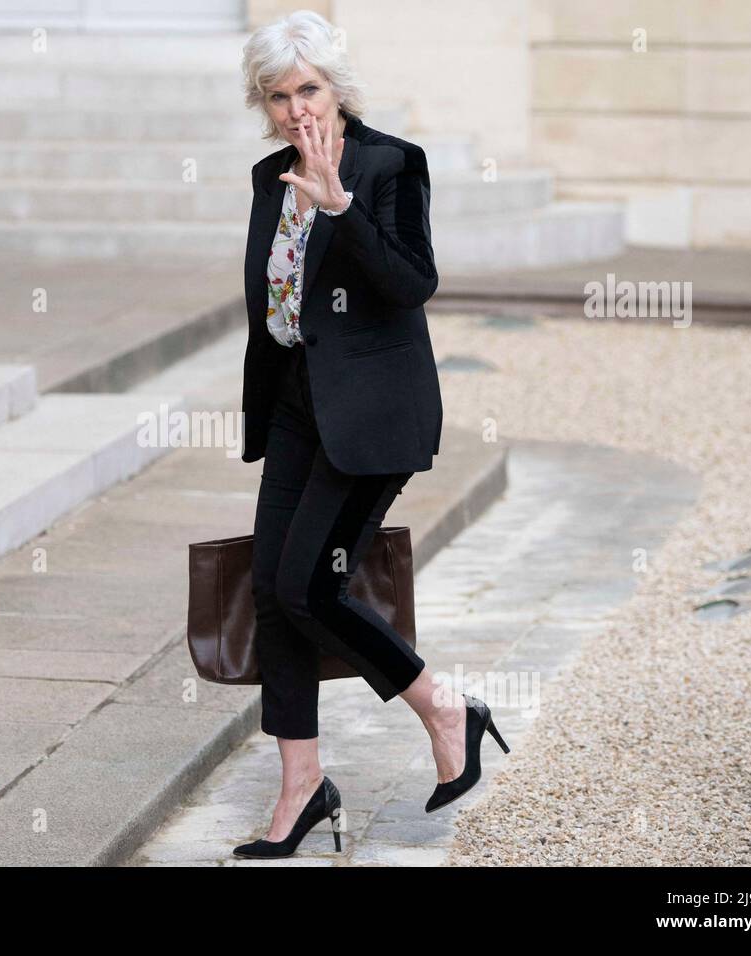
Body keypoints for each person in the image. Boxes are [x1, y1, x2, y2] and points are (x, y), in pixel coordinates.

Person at [232, 10, 508, 860]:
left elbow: (412, 281)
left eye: (307, 89)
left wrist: (341, 207)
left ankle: (443, 705)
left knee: (313, 586)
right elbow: (280, 305)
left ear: (337, 89)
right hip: (294, 409)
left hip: (373, 414)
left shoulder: (390, 164)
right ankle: (302, 785)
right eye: (277, 96)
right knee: (273, 589)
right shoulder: (267, 176)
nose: (295, 110)